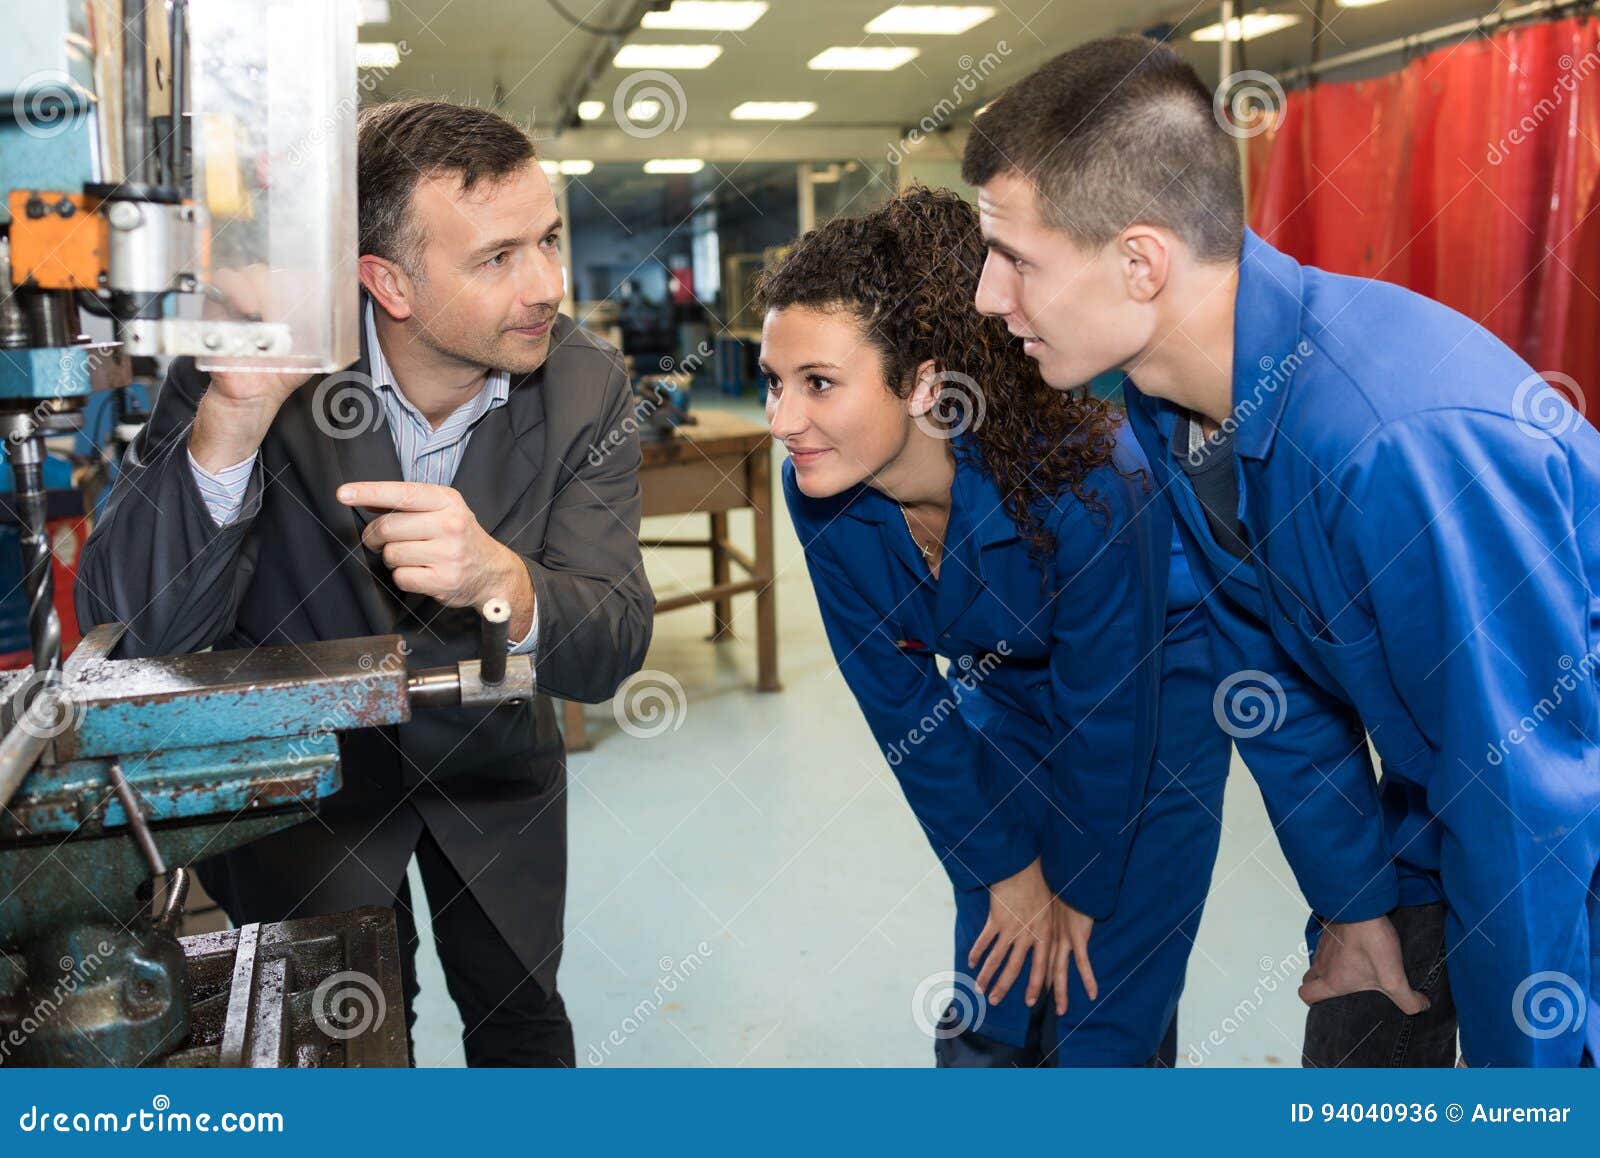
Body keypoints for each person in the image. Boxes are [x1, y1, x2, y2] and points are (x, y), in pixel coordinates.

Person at [963, 35, 1600, 1067]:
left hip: (1551, 817)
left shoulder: (1392, 443)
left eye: (1016, 258)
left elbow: (1526, 797)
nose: (990, 296)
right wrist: (1352, 905)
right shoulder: (1172, 405)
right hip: (1451, 799)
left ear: (1139, 262)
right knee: (1356, 1042)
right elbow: (1266, 674)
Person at [76, 99, 655, 1067]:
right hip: (309, 791)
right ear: (384, 280)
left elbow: (612, 640)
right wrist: (231, 424)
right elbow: (140, 641)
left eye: (547, 238)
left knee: (521, 1024)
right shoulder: (261, 362)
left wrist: (505, 580)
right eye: (497, 257)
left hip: (493, 774)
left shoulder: (585, 386)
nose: (548, 283)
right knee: (335, 1050)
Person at [759, 186, 1230, 1065]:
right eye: (774, 383)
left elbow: (1108, 712)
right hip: (1004, 695)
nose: (783, 422)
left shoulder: (1094, 485)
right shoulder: (819, 492)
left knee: (1103, 988)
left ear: (924, 384)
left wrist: (1080, 888)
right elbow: (899, 704)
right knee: (996, 969)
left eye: (818, 383)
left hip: (1154, 706)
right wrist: (1007, 873)